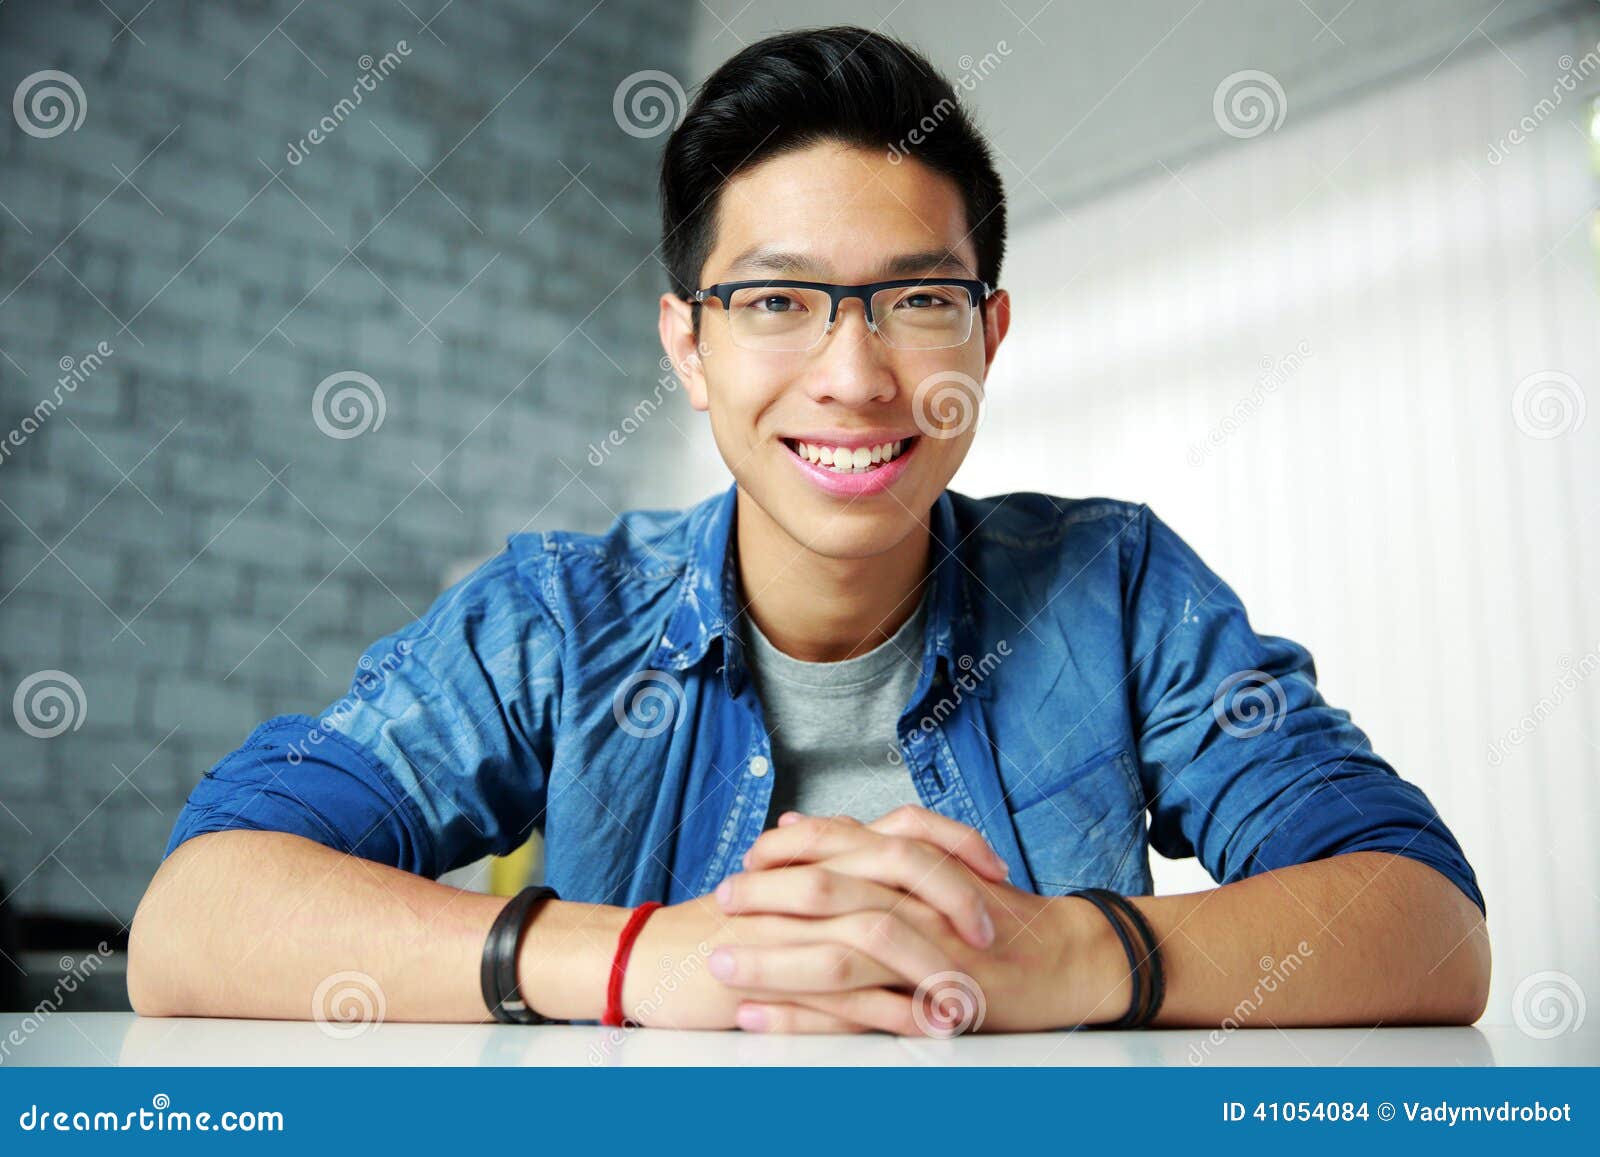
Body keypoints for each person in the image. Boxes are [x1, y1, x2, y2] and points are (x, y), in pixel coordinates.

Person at [128, 26, 1488, 1035]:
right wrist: (640, 959)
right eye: (778, 302)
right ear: (689, 343)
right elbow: (197, 918)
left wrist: (1072, 956)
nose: (852, 374)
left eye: (915, 299)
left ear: (988, 331)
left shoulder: (1115, 587)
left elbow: (1428, 928)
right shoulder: (558, 617)